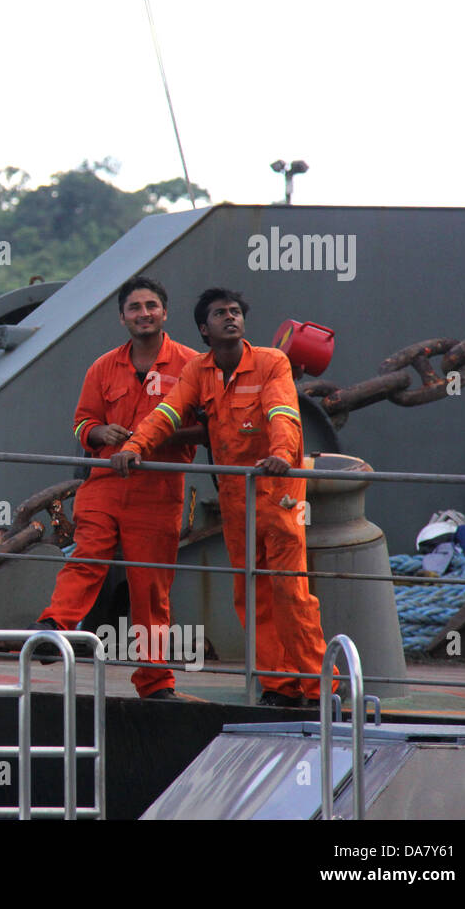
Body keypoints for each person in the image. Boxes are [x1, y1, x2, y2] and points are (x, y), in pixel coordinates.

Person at [111, 287, 333, 708]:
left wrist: (282, 455)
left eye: (235, 312)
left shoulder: (271, 362)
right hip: (235, 496)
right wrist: (135, 447)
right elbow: (169, 413)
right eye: (219, 314)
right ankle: (278, 685)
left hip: (279, 492)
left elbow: (282, 411)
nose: (230, 318)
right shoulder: (199, 371)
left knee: (290, 590)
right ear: (203, 329)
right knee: (251, 592)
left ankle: (322, 687)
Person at [0, 276, 201, 700]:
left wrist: (155, 438)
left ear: (164, 312)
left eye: (151, 305)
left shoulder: (192, 366)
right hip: (105, 482)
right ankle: (54, 628)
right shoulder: (103, 367)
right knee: (87, 557)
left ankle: (155, 681)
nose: (143, 313)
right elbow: (81, 421)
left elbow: (206, 428)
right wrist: (98, 432)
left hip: (159, 488)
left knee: (150, 588)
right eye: (134, 307)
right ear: (123, 317)